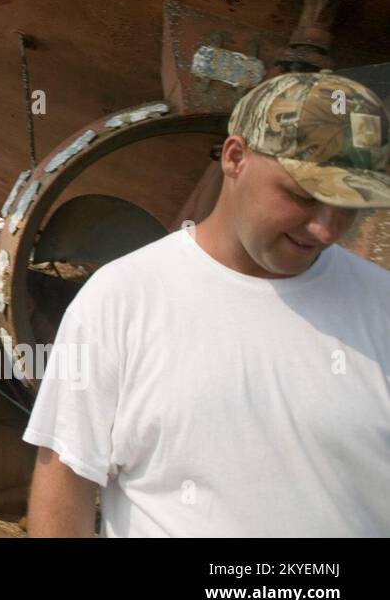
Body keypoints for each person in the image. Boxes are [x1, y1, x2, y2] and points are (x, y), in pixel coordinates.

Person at [23, 70, 390, 536]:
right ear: (235, 158)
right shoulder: (121, 301)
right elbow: (66, 478)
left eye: (350, 205)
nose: (326, 229)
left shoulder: (382, 307)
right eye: (303, 196)